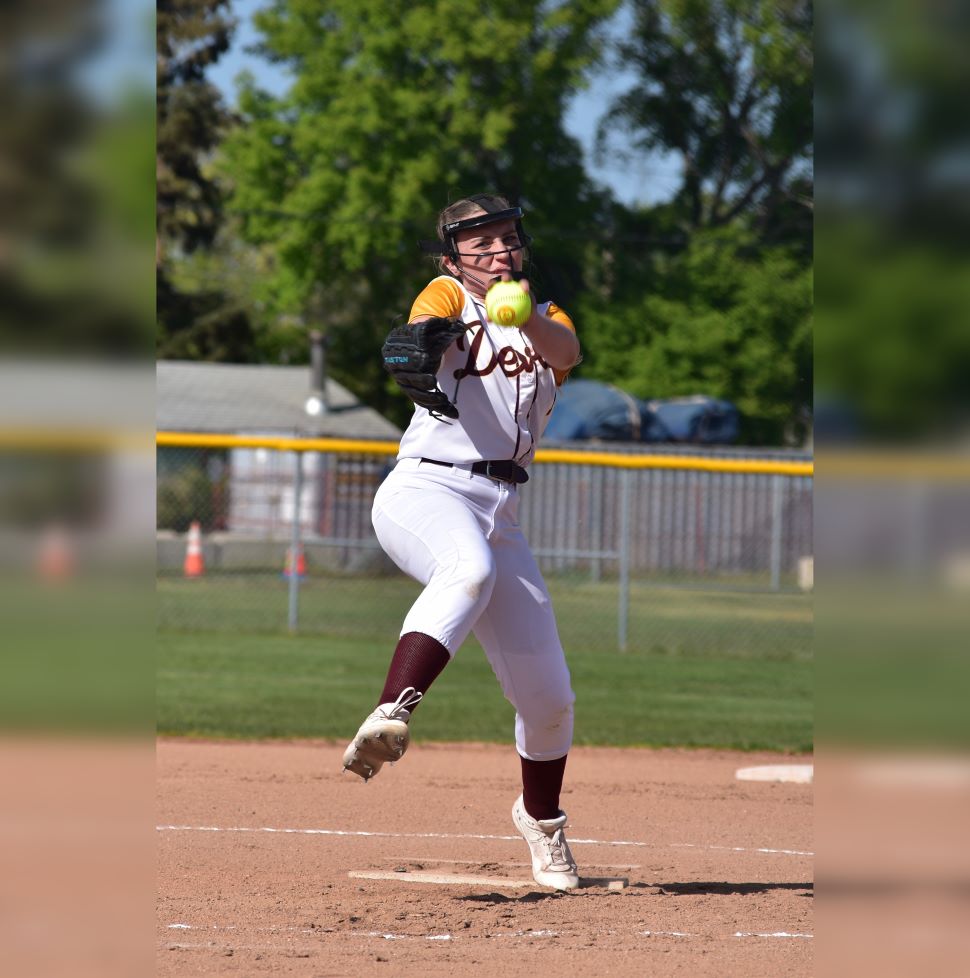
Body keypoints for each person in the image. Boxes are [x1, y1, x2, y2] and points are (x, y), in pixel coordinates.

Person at [342, 193, 583, 891]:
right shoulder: (449, 292)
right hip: (428, 489)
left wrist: (530, 314)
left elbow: (566, 350)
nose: (498, 250)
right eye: (479, 243)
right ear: (455, 257)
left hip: (503, 509)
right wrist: (421, 343)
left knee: (550, 699)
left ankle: (542, 825)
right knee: (466, 569)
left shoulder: (546, 319)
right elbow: (421, 326)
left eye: (506, 237)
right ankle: (391, 714)